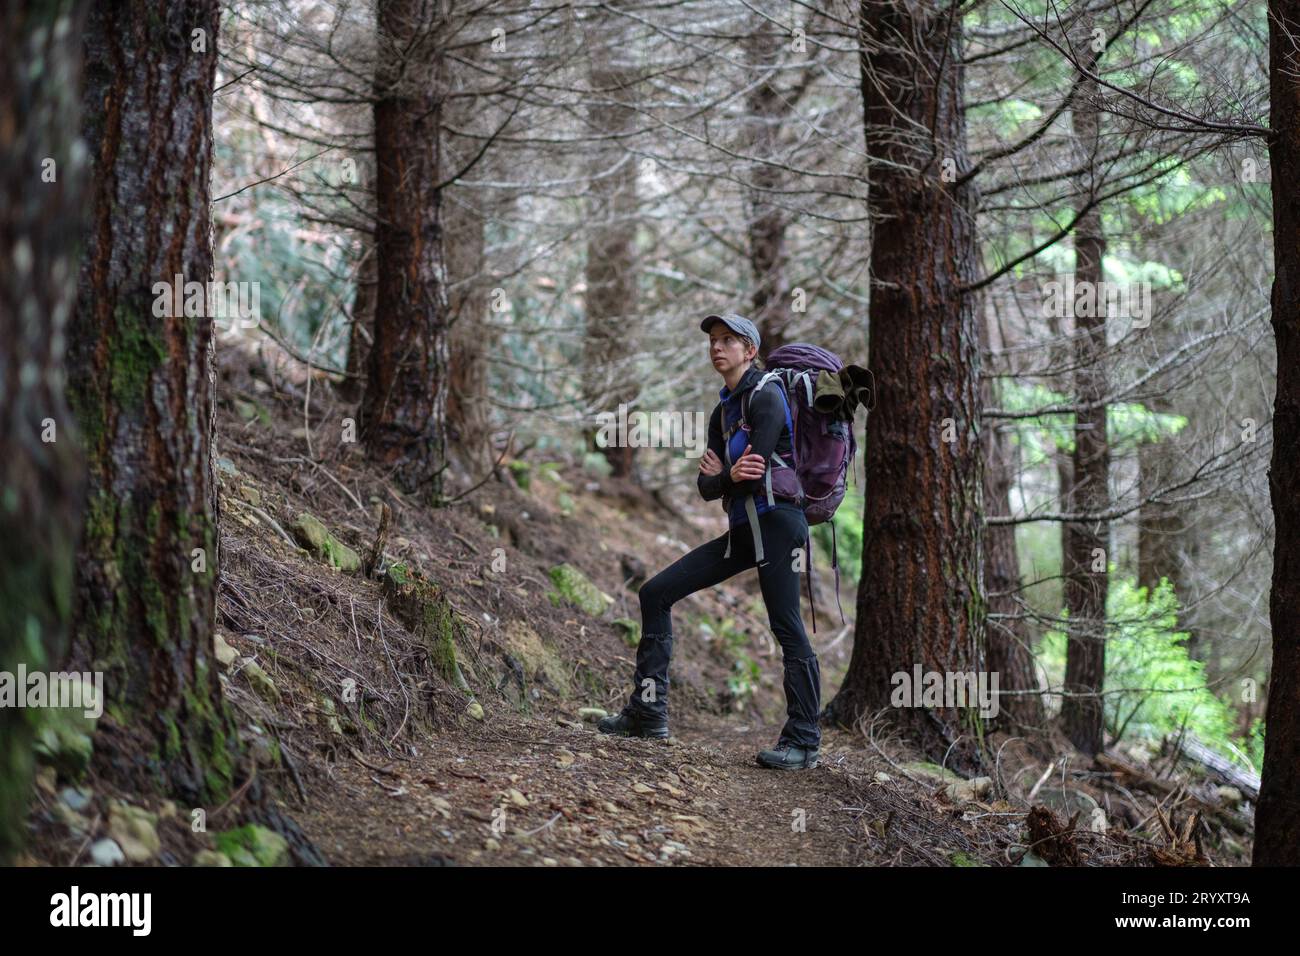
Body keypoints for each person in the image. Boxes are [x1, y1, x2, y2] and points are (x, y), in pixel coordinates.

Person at [597, 313, 822, 770]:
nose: (717, 348)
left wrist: (725, 478)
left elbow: (750, 472)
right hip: (745, 529)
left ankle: (804, 741)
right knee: (655, 592)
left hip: (779, 524)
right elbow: (708, 488)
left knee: (786, 626)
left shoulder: (767, 396)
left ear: (750, 350)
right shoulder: (724, 412)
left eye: (729, 341)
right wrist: (726, 478)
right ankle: (647, 712)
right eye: (713, 341)